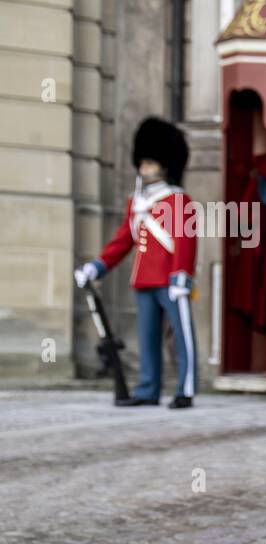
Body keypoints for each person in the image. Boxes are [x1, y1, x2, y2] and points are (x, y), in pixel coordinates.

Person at [74, 118, 198, 408]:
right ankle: (147, 389)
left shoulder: (178, 200)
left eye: (151, 163)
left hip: (170, 279)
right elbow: (122, 241)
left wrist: (182, 276)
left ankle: (186, 389)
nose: (145, 168)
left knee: (182, 336)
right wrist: (98, 266)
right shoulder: (137, 203)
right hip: (144, 279)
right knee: (148, 339)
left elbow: (185, 241)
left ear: (165, 165)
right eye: (143, 163)